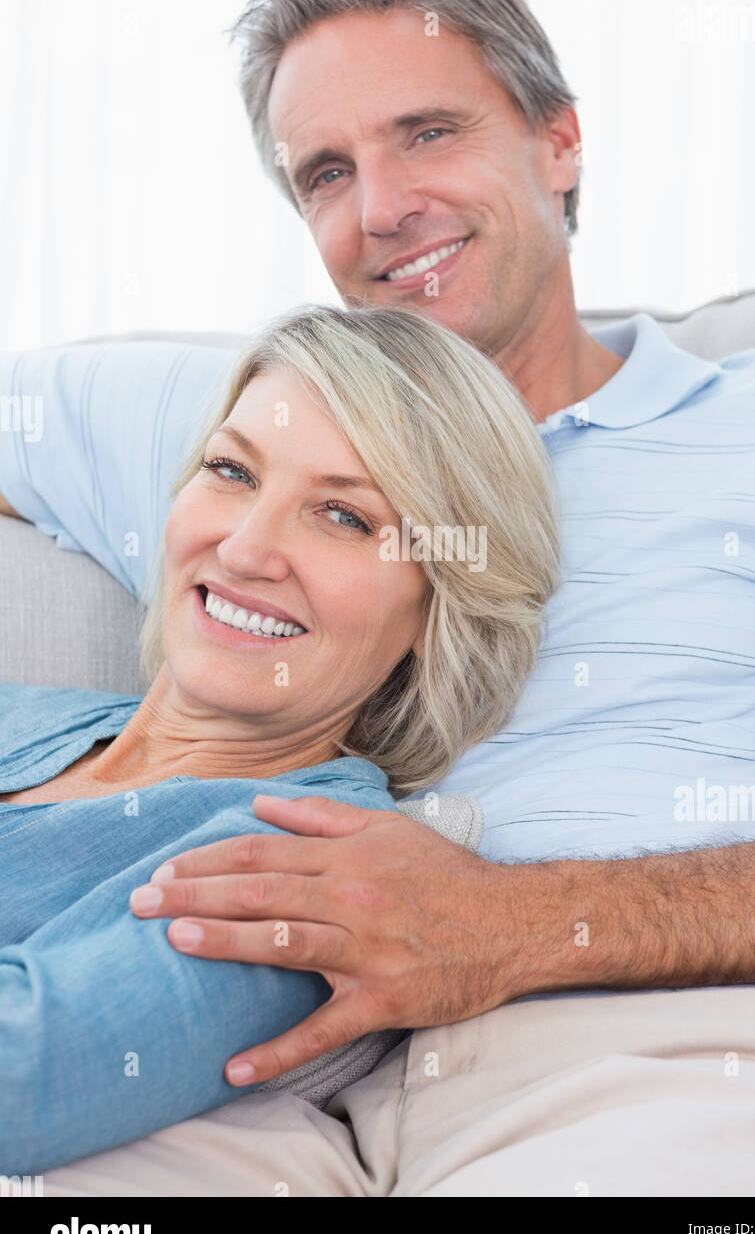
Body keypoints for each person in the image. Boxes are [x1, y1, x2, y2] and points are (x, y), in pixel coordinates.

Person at [2, 0, 755, 1196]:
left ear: (559, 142)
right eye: (327, 172)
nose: (381, 208)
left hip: (636, 1042)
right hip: (240, 1067)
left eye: (427, 133)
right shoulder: (238, 408)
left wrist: (513, 924)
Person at [0, 301, 560, 1173]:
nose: (248, 548)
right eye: (231, 470)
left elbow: (24, 1077)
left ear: (438, 608)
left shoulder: (319, 861)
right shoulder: (31, 715)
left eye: (345, 518)